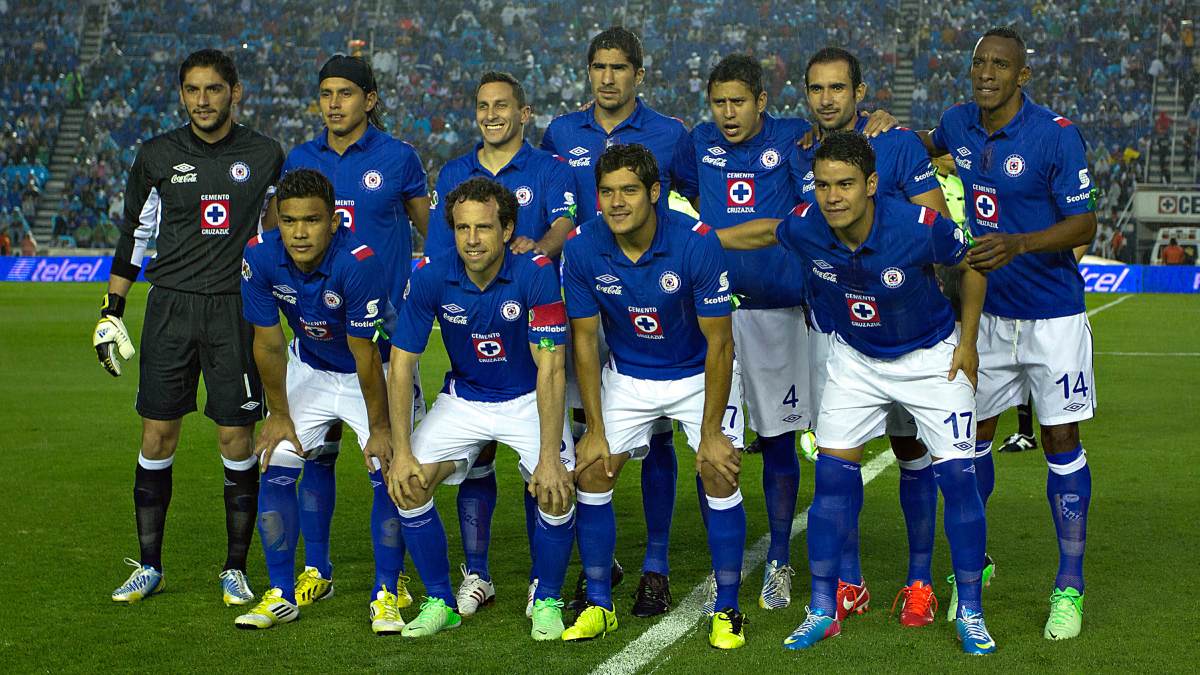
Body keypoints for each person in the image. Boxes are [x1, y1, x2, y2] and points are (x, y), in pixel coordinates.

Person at [716, 130, 995, 655]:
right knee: (831, 482)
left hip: (930, 358)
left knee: (959, 479)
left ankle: (972, 612)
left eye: (844, 184)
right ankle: (823, 610)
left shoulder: (917, 226)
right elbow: (766, 232)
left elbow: (972, 263)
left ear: (871, 184)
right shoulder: (808, 225)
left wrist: (969, 342)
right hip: (856, 359)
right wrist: (708, 239)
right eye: (823, 185)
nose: (833, 196)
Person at [673, 53, 894, 612]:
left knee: (778, 440)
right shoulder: (696, 142)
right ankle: (722, 567)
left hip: (781, 313)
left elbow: (809, 203)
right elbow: (671, 187)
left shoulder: (794, 140)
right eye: (719, 102)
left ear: (762, 102)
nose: (728, 113)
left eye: (738, 102)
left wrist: (882, 119)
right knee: (713, 442)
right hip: (714, 315)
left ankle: (777, 560)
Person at [919, 27, 1099, 639]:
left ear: (1022, 76)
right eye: (980, 63)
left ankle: (1069, 586)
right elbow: (923, 145)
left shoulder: (1055, 134)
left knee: (1060, 441)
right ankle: (975, 566)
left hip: (1053, 317)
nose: (987, 73)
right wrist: (883, 129)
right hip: (986, 315)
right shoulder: (957, 123)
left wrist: (1020, 244)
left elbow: (1085, 224)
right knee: (970, 442)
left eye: (1000, 65)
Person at [99, 49, 283, 606]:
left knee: (236, 438)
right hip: (171, 310)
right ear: (181, 94)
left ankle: (234, 569)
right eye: (192, 90)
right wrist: (112, 309)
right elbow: (135, 233)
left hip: (234, 310)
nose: (202, 100)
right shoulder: (157, 155)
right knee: (157, 435)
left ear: (235, 92)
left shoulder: (265, 154)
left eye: (213, 89)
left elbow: (276, 236)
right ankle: (149, 566)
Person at [560, 144, 748, 649]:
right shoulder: (582, 247)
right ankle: (599, 604)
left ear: (655, 193)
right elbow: (584, 340)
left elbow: (720, 343)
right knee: (592, 468)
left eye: (629, 190)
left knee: (718, 469)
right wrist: (595, 429)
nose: (617, 202)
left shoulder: (696, 242)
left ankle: (728, 608)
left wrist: (711, 432)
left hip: (697, 373)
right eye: (606, 192)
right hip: (630, 374)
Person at [384, 177, 576, 641]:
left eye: (484, 227)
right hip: (465, 398)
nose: (472, 239)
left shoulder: (536, 273)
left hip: (528, 397)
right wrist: (402, 451)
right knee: (408, 484)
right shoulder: (430, 274)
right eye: (462, 228)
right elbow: (401, 364)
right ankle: (440, 602)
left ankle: (547, 598)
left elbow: (551, 367)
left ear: (507, 230)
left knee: (556, 489)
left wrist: (549, 457)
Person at [796, 47, 949, 626]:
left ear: (860, 93)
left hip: (903, 330)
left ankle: (919, 580)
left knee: (912, 450)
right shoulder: (796, 149)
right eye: (816, 89)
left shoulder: (897, 144)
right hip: (830, 330)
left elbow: (937, 230)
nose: (826, 99)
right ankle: (850, 582)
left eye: (838, 88)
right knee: (839, 456)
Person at [539, 26, 688, 616]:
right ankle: (598, 562)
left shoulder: (670, 134)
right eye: (598, 67)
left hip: (647, 301)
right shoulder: (560, 132)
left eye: (619, 67)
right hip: (580, 297)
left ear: (638, 75)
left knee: (658, 430)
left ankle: (657, 563)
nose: (607, 78)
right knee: (587, 432)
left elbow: (693, 206)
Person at [278, 55, 430, 610]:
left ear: (370, 99)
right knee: (313, 457)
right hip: (317, 345)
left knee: (388, 464)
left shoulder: (399, 158)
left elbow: (433, 236)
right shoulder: (301, 159)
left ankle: (393, 580)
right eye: (325, 93)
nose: (333, 103)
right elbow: (281, 239)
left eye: (345, 93)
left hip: (384, 343)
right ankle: (316, 569)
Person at [423, 72, 575, 617]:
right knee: (477, 455)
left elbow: (565, 225)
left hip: (534, 314)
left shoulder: (550, 168)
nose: (491, 114)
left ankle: (542, 581)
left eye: (502, 105)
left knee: (547, 467)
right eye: (483, 105)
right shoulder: (454, 172)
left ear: (524, 113)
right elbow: (440, 249)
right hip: (474, 321)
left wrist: (539, 249)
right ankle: (477, 575)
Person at [234, 168, 402, 633]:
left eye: (311, 220)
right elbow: (268, 343)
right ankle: (281, 593)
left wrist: (381, 429)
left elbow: (365, 354)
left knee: (389, 468)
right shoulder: (260, 255)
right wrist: (278, 414)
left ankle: (387, 592)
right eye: (289, 221)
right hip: (310, 366)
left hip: (376, 369)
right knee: (276, 457)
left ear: (334, 221)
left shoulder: (359, 262)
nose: (299, 232)